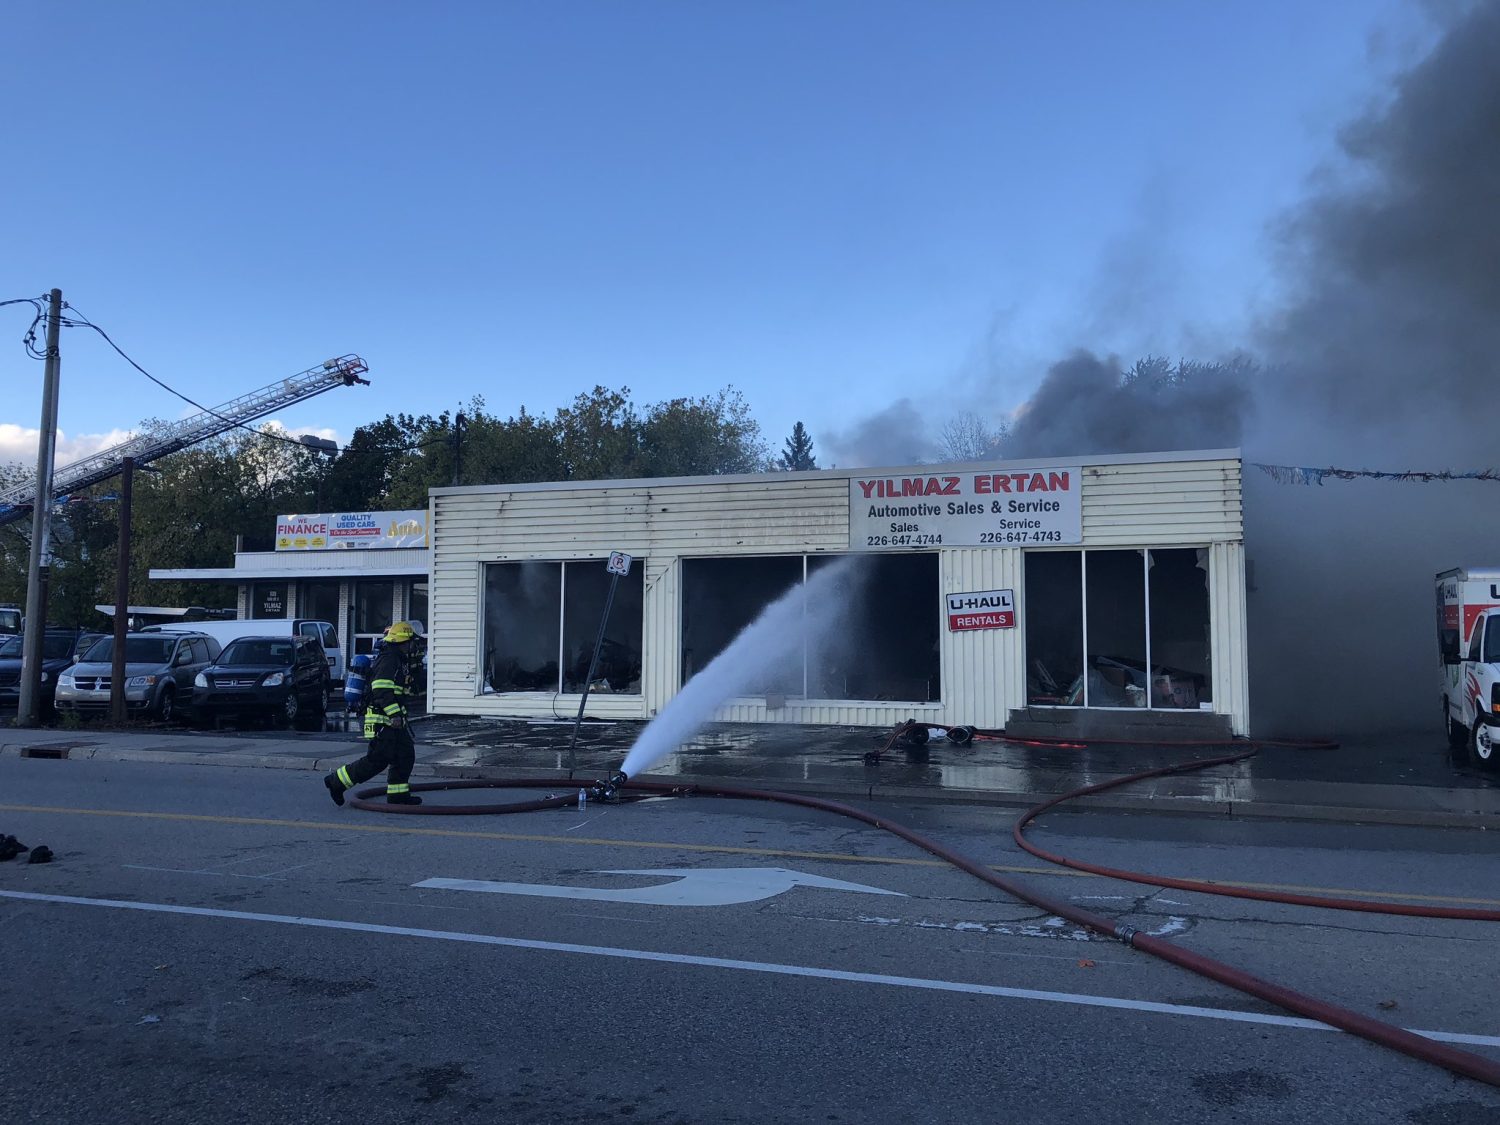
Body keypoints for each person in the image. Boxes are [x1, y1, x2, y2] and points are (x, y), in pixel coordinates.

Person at [324, 621, 422, 806]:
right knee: (377, 760)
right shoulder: (389, 659)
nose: (413, 646)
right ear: (404, 641)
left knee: (405, 755)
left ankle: (398, 795)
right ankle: (336, 782)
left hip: (394, 720)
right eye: (411, 642)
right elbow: (381, 689)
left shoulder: (398, 659)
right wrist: (394, 714)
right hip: (383, 719)